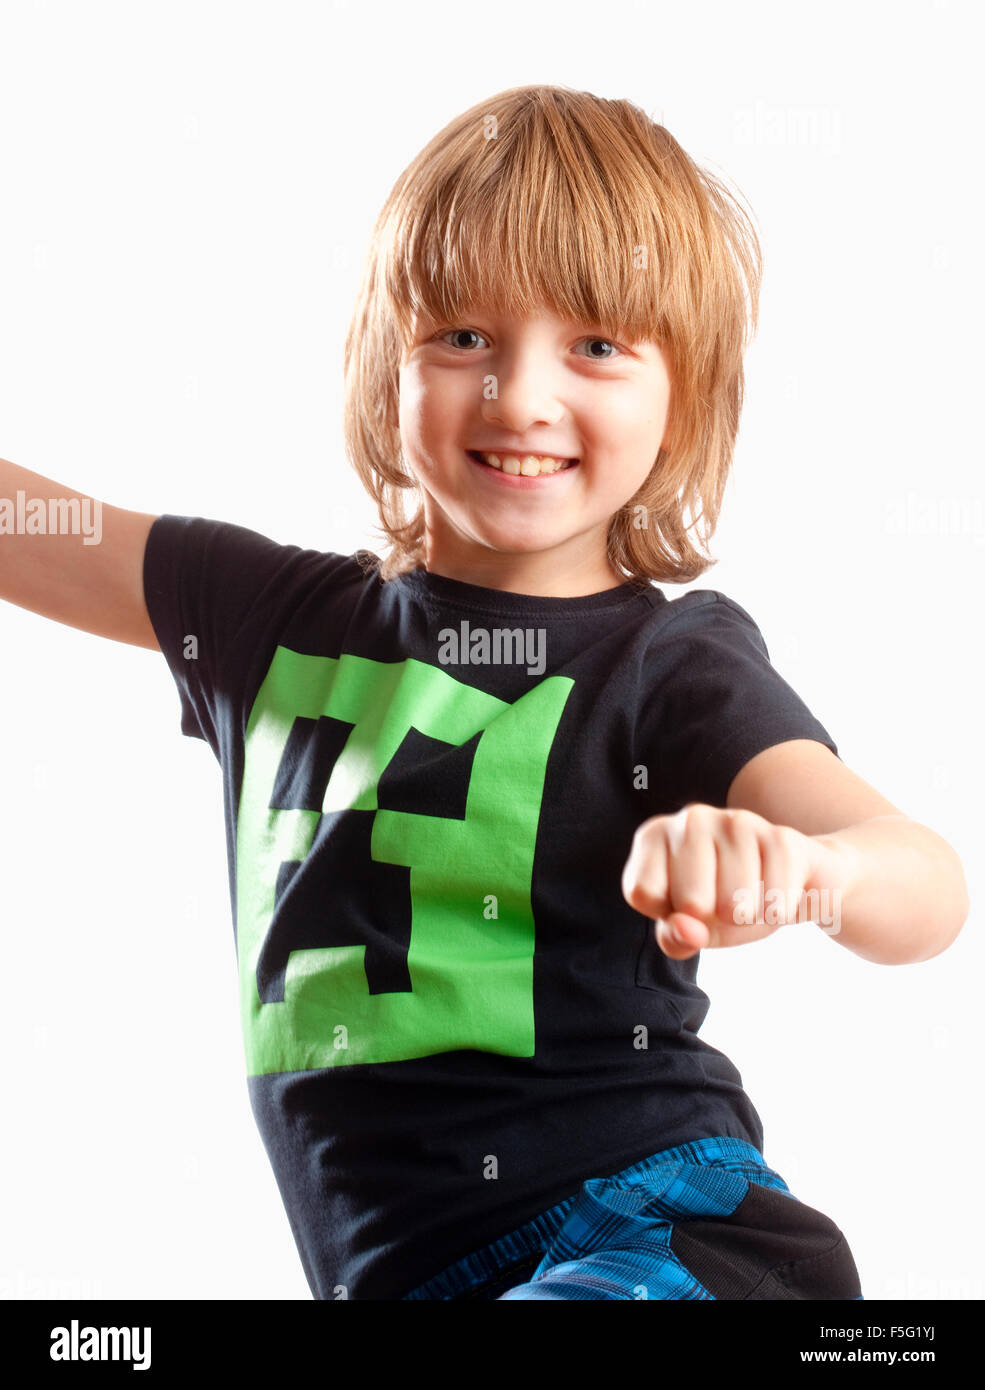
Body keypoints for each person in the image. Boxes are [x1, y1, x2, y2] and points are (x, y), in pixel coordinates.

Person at [0, 83, 968, 1302]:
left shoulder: (667, 664)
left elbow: (925, 887)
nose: (519, 396)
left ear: (684, 399)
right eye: (461, 335)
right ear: (383, 364)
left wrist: (808, 871)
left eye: (598, 346)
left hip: (649, 1233)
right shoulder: (260, 618)